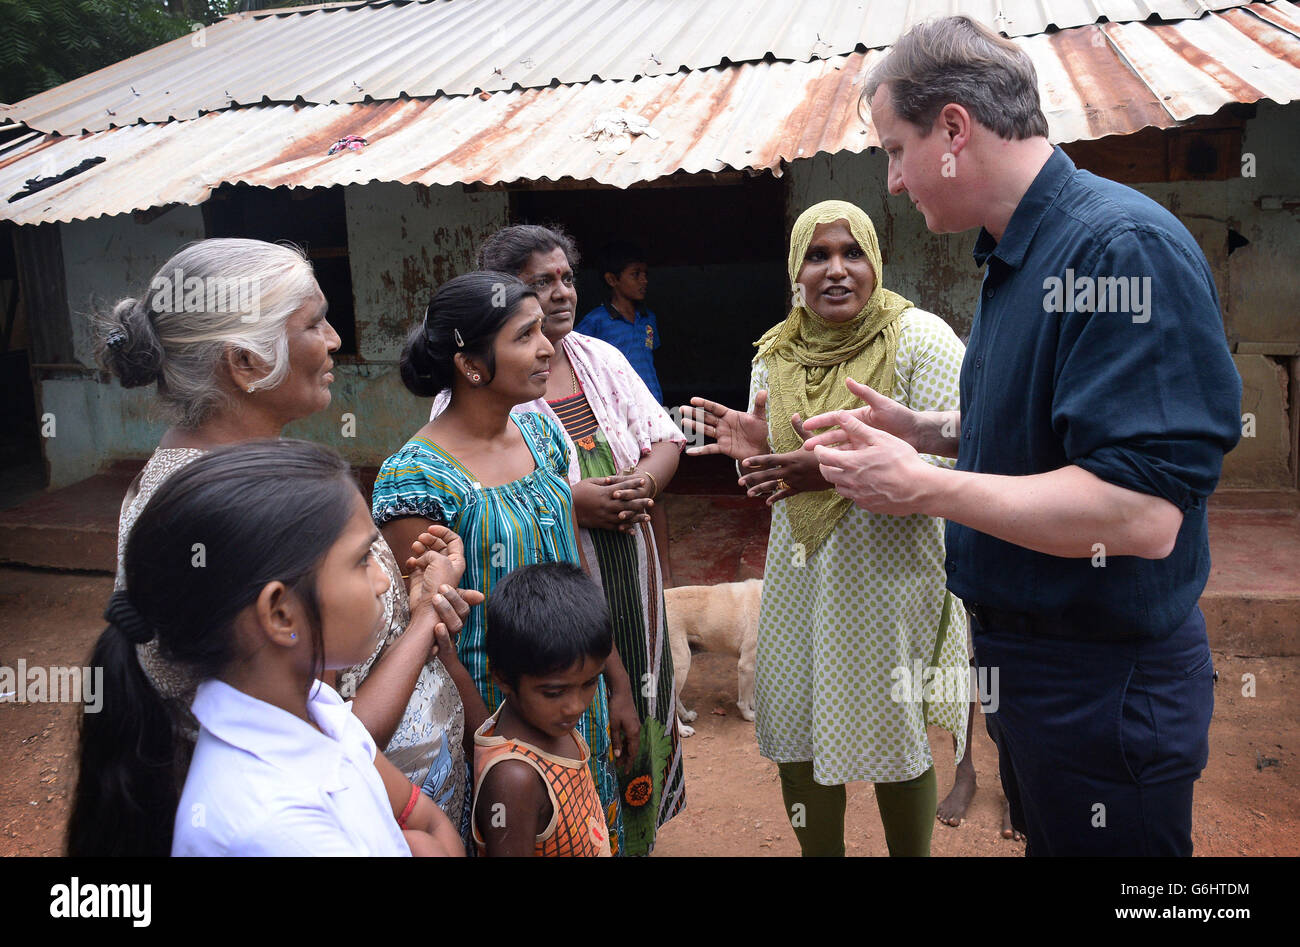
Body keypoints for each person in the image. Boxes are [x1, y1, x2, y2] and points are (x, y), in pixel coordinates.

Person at [801, 15, 1242, 856]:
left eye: (896, 150)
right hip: (1040, 675)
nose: (892, 182)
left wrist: (923, 485)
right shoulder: (1020, 254)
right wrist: (925, 429)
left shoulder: (1119, 252)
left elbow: (1142, 514)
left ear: (956, 129)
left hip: (1104, 684)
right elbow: (1058, 431)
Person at [96, 238, 479, 836]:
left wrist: (396, 590)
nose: (333, 340)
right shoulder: (222, 513)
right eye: (313, 323)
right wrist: (425, 617)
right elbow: (323, 733)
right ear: (245, 362)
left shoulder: (257, 470)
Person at [680, 200, 969, 856]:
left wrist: (826, 471)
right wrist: (759, 449)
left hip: (894, 573)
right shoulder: (776, 356)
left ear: (875, 260)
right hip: (802, 575)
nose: (836, 270)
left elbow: (949, 457)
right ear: (795, 271)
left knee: (898, 734)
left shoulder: (921, 338)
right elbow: (776, 481)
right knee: (801, 734)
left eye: (851, 252)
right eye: (817, 255)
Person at [68, 440, 464, 856]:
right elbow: (427, 832)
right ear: (280, 614)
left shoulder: (319, 709)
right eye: (363, 559)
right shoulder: (272, 827)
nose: (384, 581)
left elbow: (427, 822)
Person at [431, 225, 686, 855]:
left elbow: (663, 434)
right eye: (540, 283)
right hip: (560, 588)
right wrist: (582, 500)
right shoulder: (477, 390)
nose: (560, 292)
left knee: (635, 699)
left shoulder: (602, 357)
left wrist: (640, 487)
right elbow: (486, 489)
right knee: (567, 706)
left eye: (565, 276)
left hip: (630, 568)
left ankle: (630, 835)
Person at [374, 270, 644, 854]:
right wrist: (483, 734)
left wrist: (614, 682)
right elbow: (427, 627)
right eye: (525, 336)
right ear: (471, 365)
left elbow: (575, 577)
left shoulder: (539, 436)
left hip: (567, 696)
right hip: (494, 722)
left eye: (543, 332)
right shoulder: (417, 476)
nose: (548, 347)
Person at [472, 562, 617, 857]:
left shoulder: (542, 720)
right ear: (502, 679)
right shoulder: (514, 780)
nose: (576, 707)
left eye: (590, 683)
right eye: (554, 692)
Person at [576, 242, 663, 403]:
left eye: (645, 274)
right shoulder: (596, 321)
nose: (644, 280)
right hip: (619, 407)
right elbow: (576, 361)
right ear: (612, 279)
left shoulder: (648, 319)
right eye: (636, 274)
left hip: (653, 402)